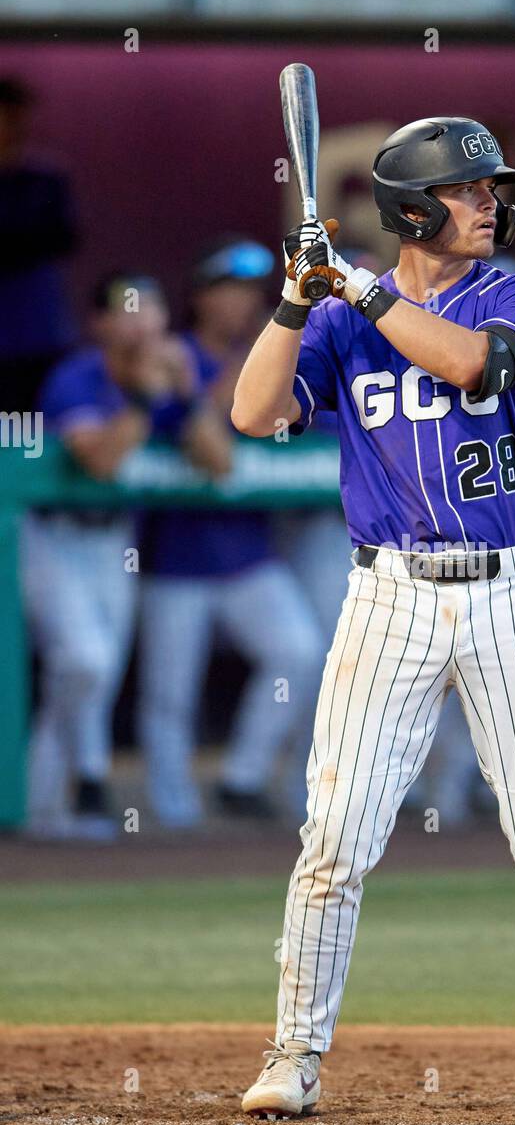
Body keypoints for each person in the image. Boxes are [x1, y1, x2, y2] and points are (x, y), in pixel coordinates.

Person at [231, 116, 515, 1119]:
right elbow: (253, 414)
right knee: (334, 835)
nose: (489, 204)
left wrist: (359, 286)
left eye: (488, 189)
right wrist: (297, 302)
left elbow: (478, 366)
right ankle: (293, 1053)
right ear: (412, 209)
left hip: (511, 591)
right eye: (470, 190)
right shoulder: (340, 320)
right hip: (387, 595)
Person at [136, 239, 325, 826]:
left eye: (249, 291)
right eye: (229, 289)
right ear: (201, 296)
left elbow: (290, 428)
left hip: (247, 551)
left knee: (300, 650)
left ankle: (244, 776)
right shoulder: (173, 354)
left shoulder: (268, 351)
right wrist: (201, 392)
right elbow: (206, 450)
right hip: (176, 555)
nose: (242, 301)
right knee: (170, 695)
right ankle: (173, 822)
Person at [25, 274, 195, 841]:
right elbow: (99, 461)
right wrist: (145, 397)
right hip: (52, 537)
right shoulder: (77, 375)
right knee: (84, 661)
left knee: (91, 675)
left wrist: (188, 396)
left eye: (152, 307)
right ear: (99, 323)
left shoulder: (164, 373)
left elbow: (220, 463)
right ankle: (88, 780)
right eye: (128, 309)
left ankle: (44, 808)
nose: (143, 320)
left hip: (116, 542)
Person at [0, 76, 79, 415]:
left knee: (32, 429)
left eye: (14, 120)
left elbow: (63, 237)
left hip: (36, 333)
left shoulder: (46, 179)